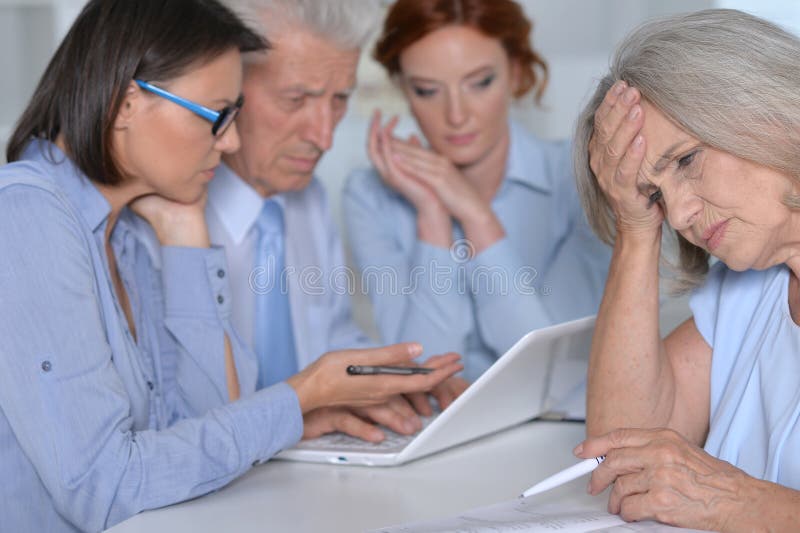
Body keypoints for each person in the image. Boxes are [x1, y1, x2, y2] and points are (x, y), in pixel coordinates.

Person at [0, 1, 461, 531]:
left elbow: (197, 421)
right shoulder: (26, 213)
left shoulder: (123, 230)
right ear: (126, 104)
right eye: (217, 114)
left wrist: (184, 233)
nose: (232, 140)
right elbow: (103, 488)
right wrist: (299, 397)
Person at [572, 9, 800, 531]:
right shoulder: (747, 289)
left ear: (769, 109)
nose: (677, 215)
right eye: (656, 195)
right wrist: (635, 226)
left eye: (685, 160)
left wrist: (742, 503)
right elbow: (624, 456)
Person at [210, 0, 466, 442]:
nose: (324, 136)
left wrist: (393, 378)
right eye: (295, 99)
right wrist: (287, 420)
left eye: (340, 99)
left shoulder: (308, 199)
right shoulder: (168, 220)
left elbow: (331, 334)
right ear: (223, 89)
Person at [343, 0, 611, 409]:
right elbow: (423, 373)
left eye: (480, 82)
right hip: (433, 434)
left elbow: (548, 374)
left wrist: (477, 218)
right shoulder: (369, 195)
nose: (456, 115)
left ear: (516, 72)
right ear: (402, 87)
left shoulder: (580, 180)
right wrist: (433, 219)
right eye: (427, 90)